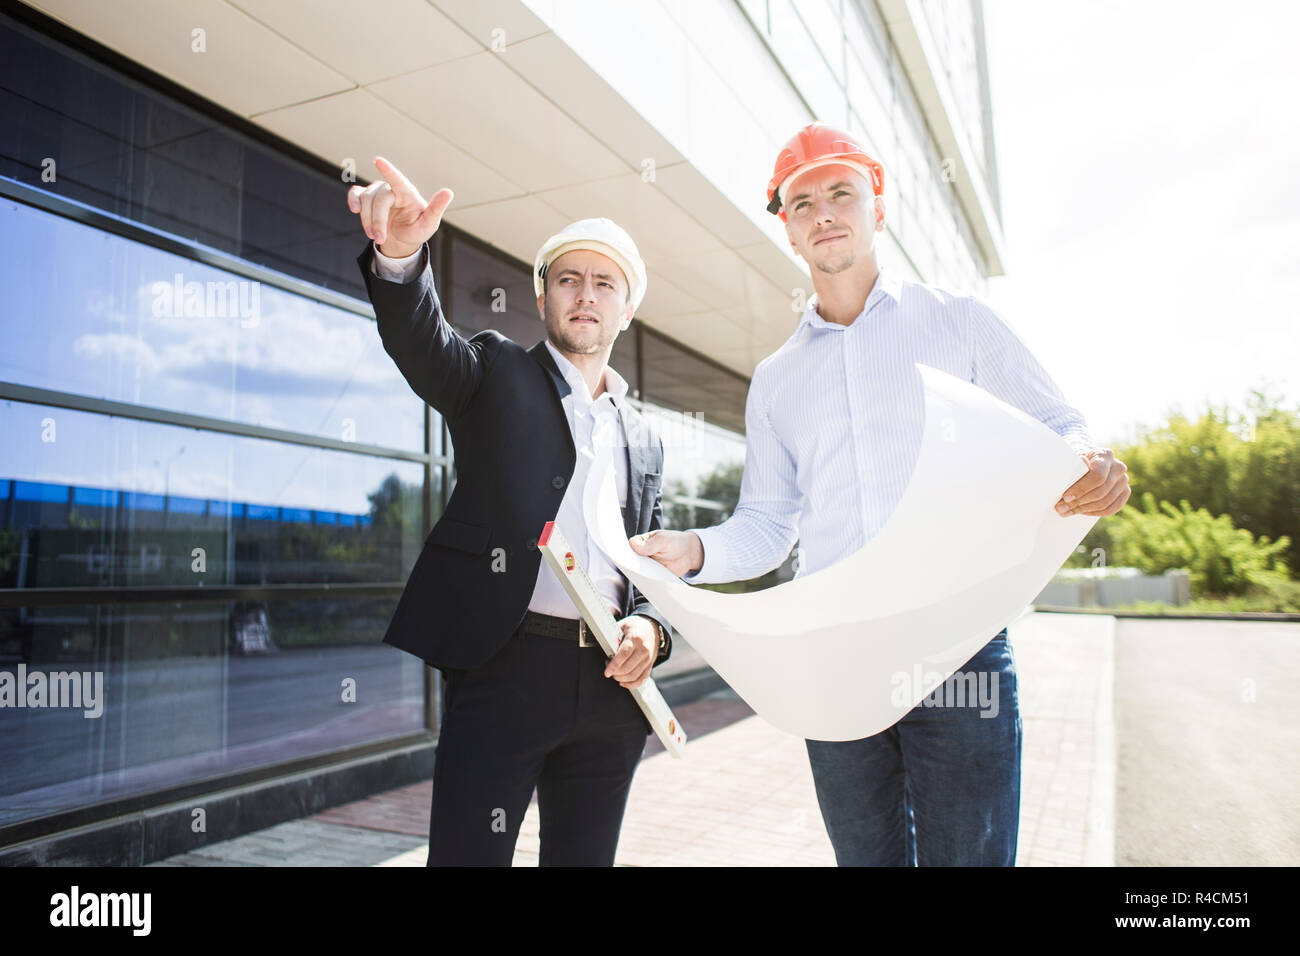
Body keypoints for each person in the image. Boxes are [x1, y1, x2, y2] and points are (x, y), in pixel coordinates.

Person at [630, 123, 1131, 866]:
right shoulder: (777, 379)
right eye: (803, 203)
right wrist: (695, 549)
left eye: (841, 193)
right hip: (835, 657)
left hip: (959, 647)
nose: (824, 212)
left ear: (877, 209)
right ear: (789, 232)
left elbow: (1063, 427)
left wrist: (1093, 462)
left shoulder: (958, 322)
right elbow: (769, 525)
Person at [348, 156, 673, 866]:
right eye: (568, 280)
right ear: (544, 296)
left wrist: (650, 625)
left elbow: (651, 564)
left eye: (603, 283)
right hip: (504, 668)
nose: (585, 295)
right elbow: (422, 342)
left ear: (626, 307)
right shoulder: (496, 374)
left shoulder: (645, 436)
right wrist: (402, 257)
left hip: (613, 691)